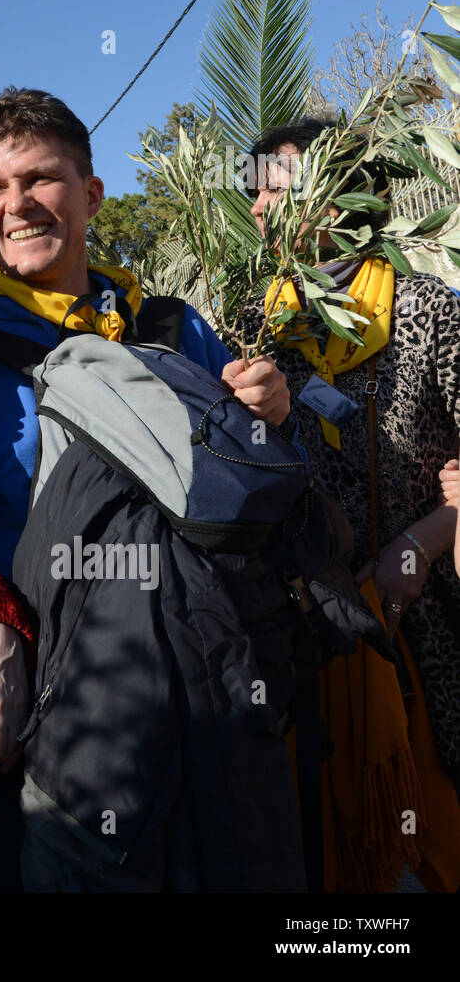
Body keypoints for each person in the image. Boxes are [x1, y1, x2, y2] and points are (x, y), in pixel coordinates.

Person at [0, 87, 292, 890]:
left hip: (216, 688)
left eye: (39, 179)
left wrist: (270, 412)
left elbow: (245, 487)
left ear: (90, 193)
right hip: (65, 718)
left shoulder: (175, 329)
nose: (17, 206)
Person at [243, 117, 460, 892]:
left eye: (277, 182)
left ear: (343, 197)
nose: (260, 204)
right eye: (254, 187)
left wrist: (427, 542)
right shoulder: (260, 331)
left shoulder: (428, 310)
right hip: (316, 650)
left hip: (433, 644)